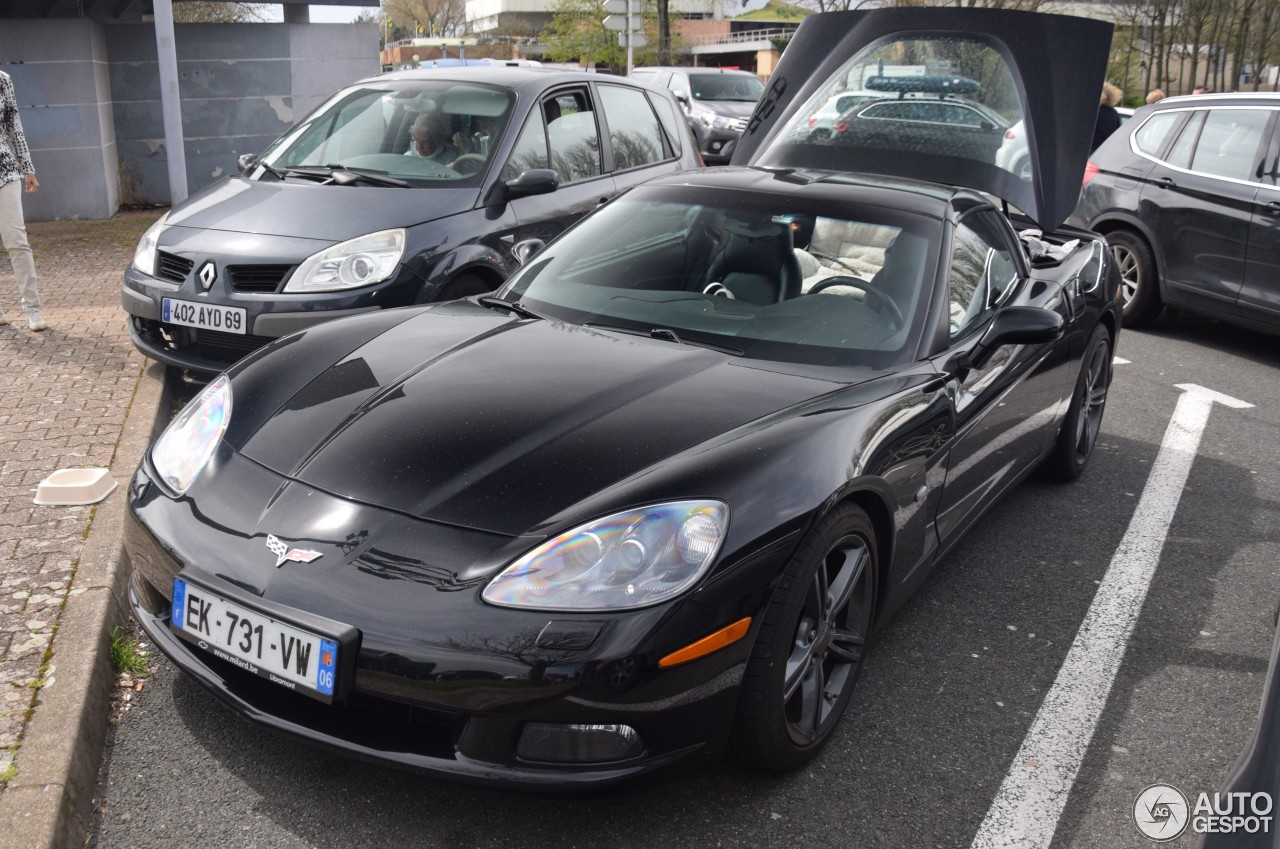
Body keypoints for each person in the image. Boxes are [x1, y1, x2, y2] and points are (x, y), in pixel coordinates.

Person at [0, 70, 46, 331]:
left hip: (5, 171)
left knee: (17, 241)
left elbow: (13, 125)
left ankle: (32, 307)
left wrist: (28, 167)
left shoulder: (2, 79)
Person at [1091, 82, 1123, 154]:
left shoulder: (1093, 112)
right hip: (1107, 151)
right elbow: (1117, 133)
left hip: (1092, 149)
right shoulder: (1114, 113)